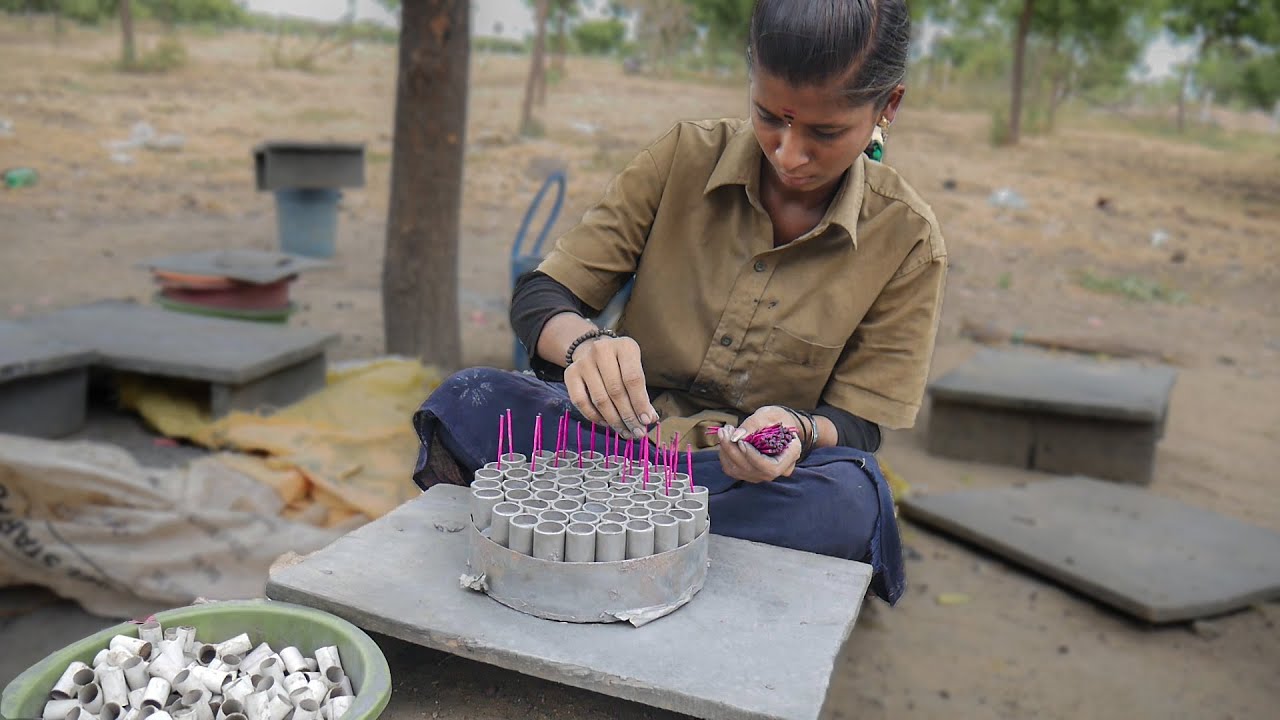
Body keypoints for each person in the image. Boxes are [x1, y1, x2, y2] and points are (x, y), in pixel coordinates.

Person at [412, 0, 946, 604]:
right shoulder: (682, 160)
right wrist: (585, 345)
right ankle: (677, 543)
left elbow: (859, 422)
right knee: (469, 400)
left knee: (852, 500)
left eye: (825, 133)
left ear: (888, 106)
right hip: (616, 443)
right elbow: (542, 295)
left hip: (745, 478)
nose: (790, 153)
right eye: (771, 116)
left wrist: (795, 430)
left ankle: (610, 528)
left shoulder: (908, 241)